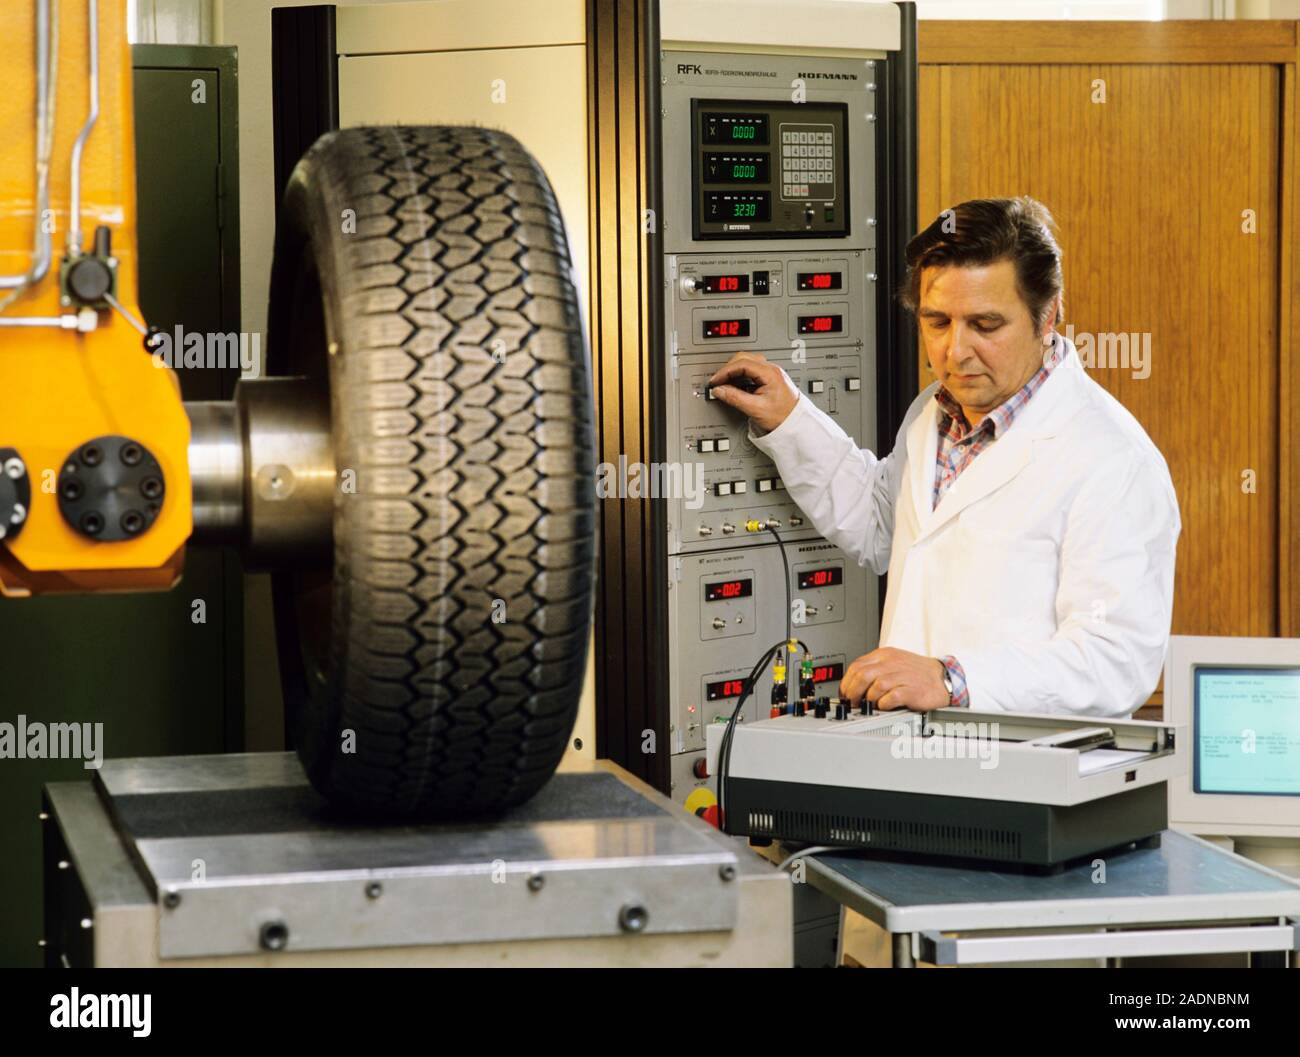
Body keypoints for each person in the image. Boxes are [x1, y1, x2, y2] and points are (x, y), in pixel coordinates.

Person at [707, 197, 1179, 717]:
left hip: (1022, 777)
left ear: (1048, 315)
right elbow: (882, 526)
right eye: (937, 322)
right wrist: (790, 418)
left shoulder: (1113, 460)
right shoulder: (933, 412)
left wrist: (951, 679)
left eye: (985, 325)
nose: (955, 351)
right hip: (912, 763)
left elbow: (1116, 663)